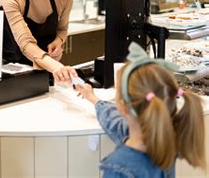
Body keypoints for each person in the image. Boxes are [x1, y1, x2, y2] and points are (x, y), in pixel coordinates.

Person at [76, 42, 206, 177]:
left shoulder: (118, 167)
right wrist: (93, 99)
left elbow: (117, 122)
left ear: (122, 105)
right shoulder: (166, 145)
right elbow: (115, 122)